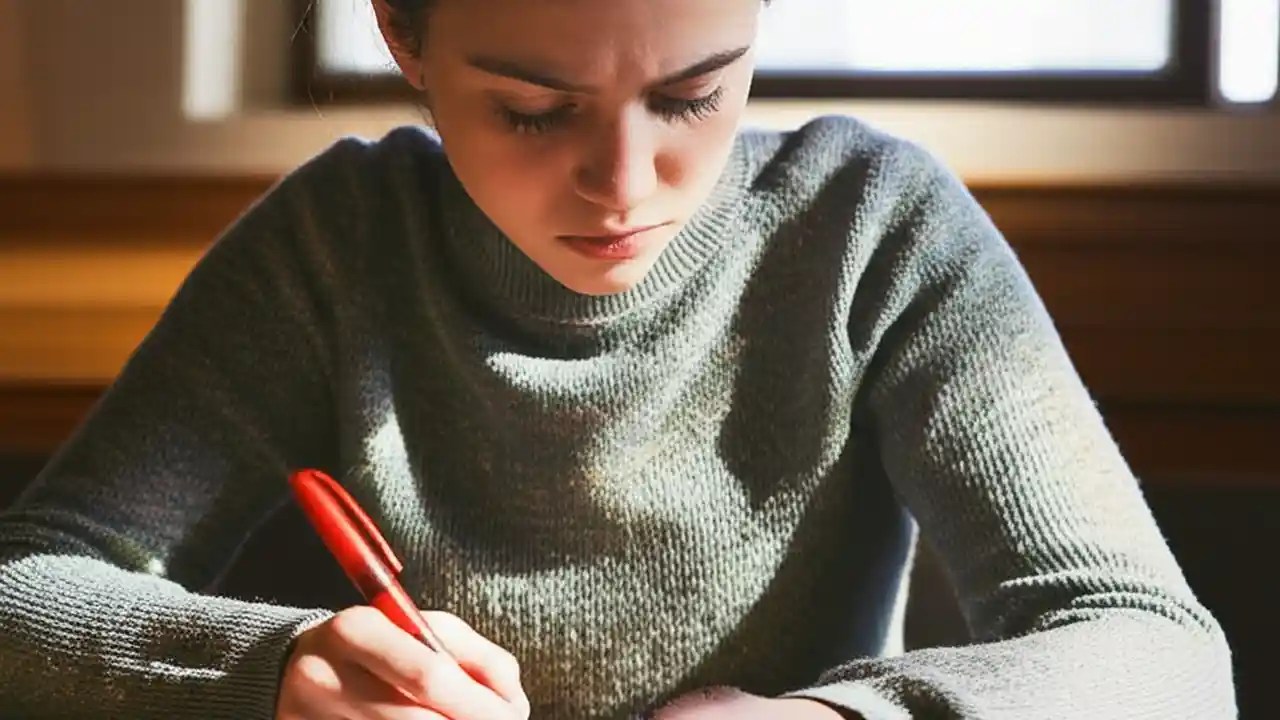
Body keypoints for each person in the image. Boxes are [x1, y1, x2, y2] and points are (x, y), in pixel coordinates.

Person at [0, 0, 1237, 718]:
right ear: (401, 35)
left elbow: (1163, 658)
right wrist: (273, 668)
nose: (623, 186)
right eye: (533, 110)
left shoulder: (868, 229)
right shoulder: (336, 249)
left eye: (695, 95)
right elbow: (24, 589)